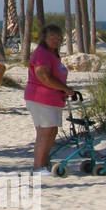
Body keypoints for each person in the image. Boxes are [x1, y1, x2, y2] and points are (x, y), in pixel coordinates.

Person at [27, 24, 79, 171]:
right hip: (41, 98)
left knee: (51, 132)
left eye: (58, 37)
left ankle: (43, 162)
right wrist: (65, 89)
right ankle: (38, 167)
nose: (56, 40)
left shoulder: (52, 54)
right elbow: (43, 76)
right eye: (52, 36)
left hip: (52, 100)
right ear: (44, 38)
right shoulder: (41, 53)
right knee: (45, 133)